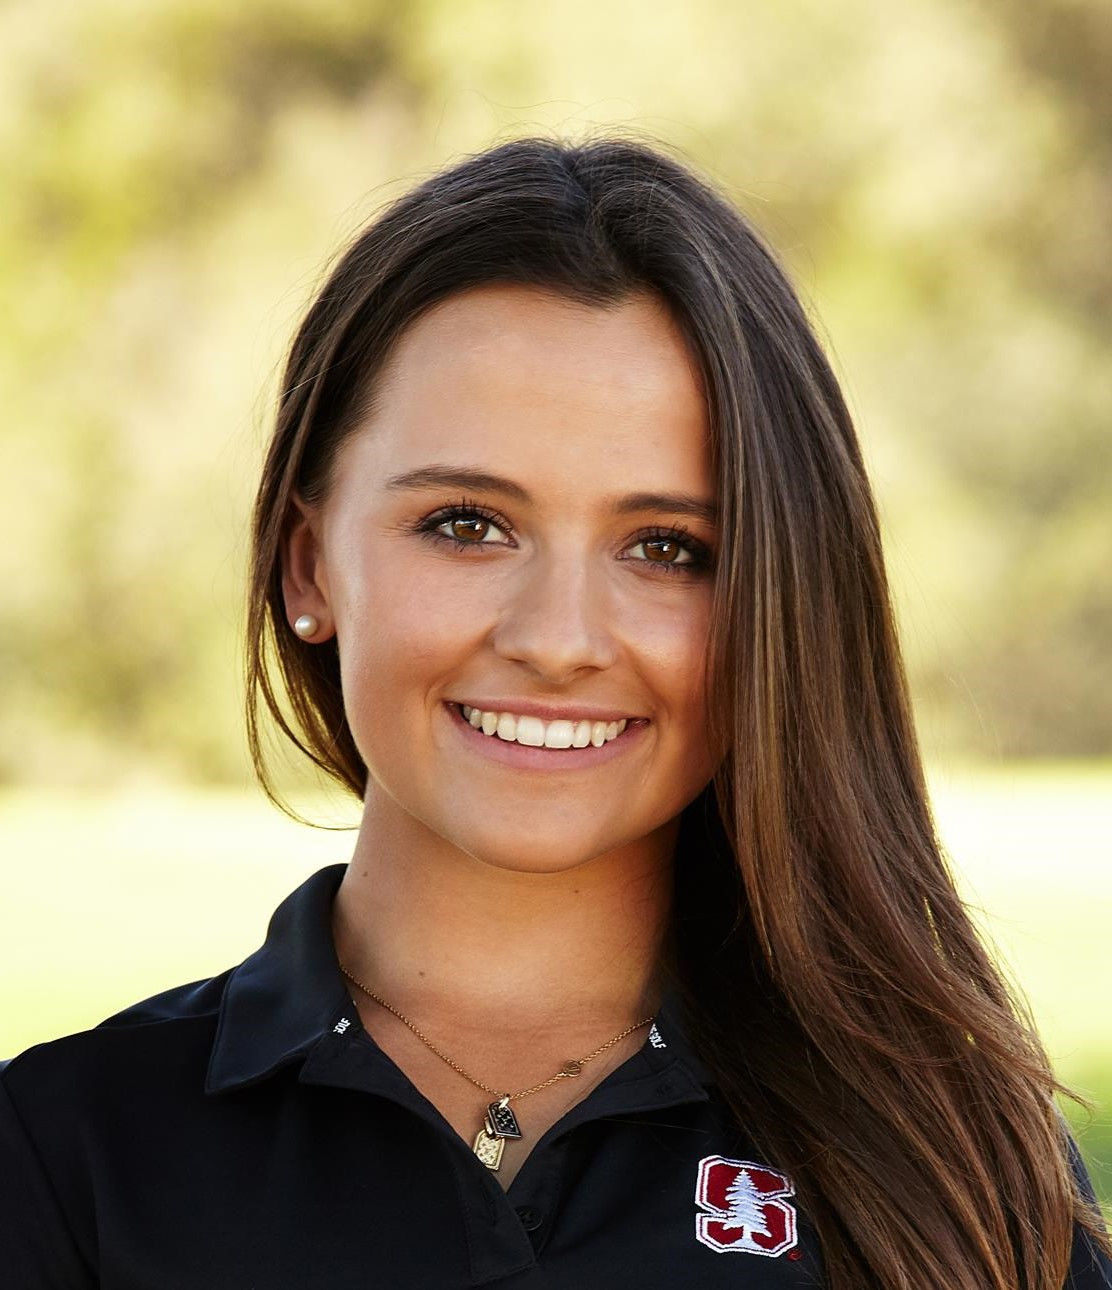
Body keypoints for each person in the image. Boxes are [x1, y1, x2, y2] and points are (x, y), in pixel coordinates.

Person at [1, 136, 1108, 1290]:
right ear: (306, 566)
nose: (557, 639)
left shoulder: (960, 1172)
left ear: (779, 601)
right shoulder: (59, 1155)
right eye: (467, 524)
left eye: (668, 548)